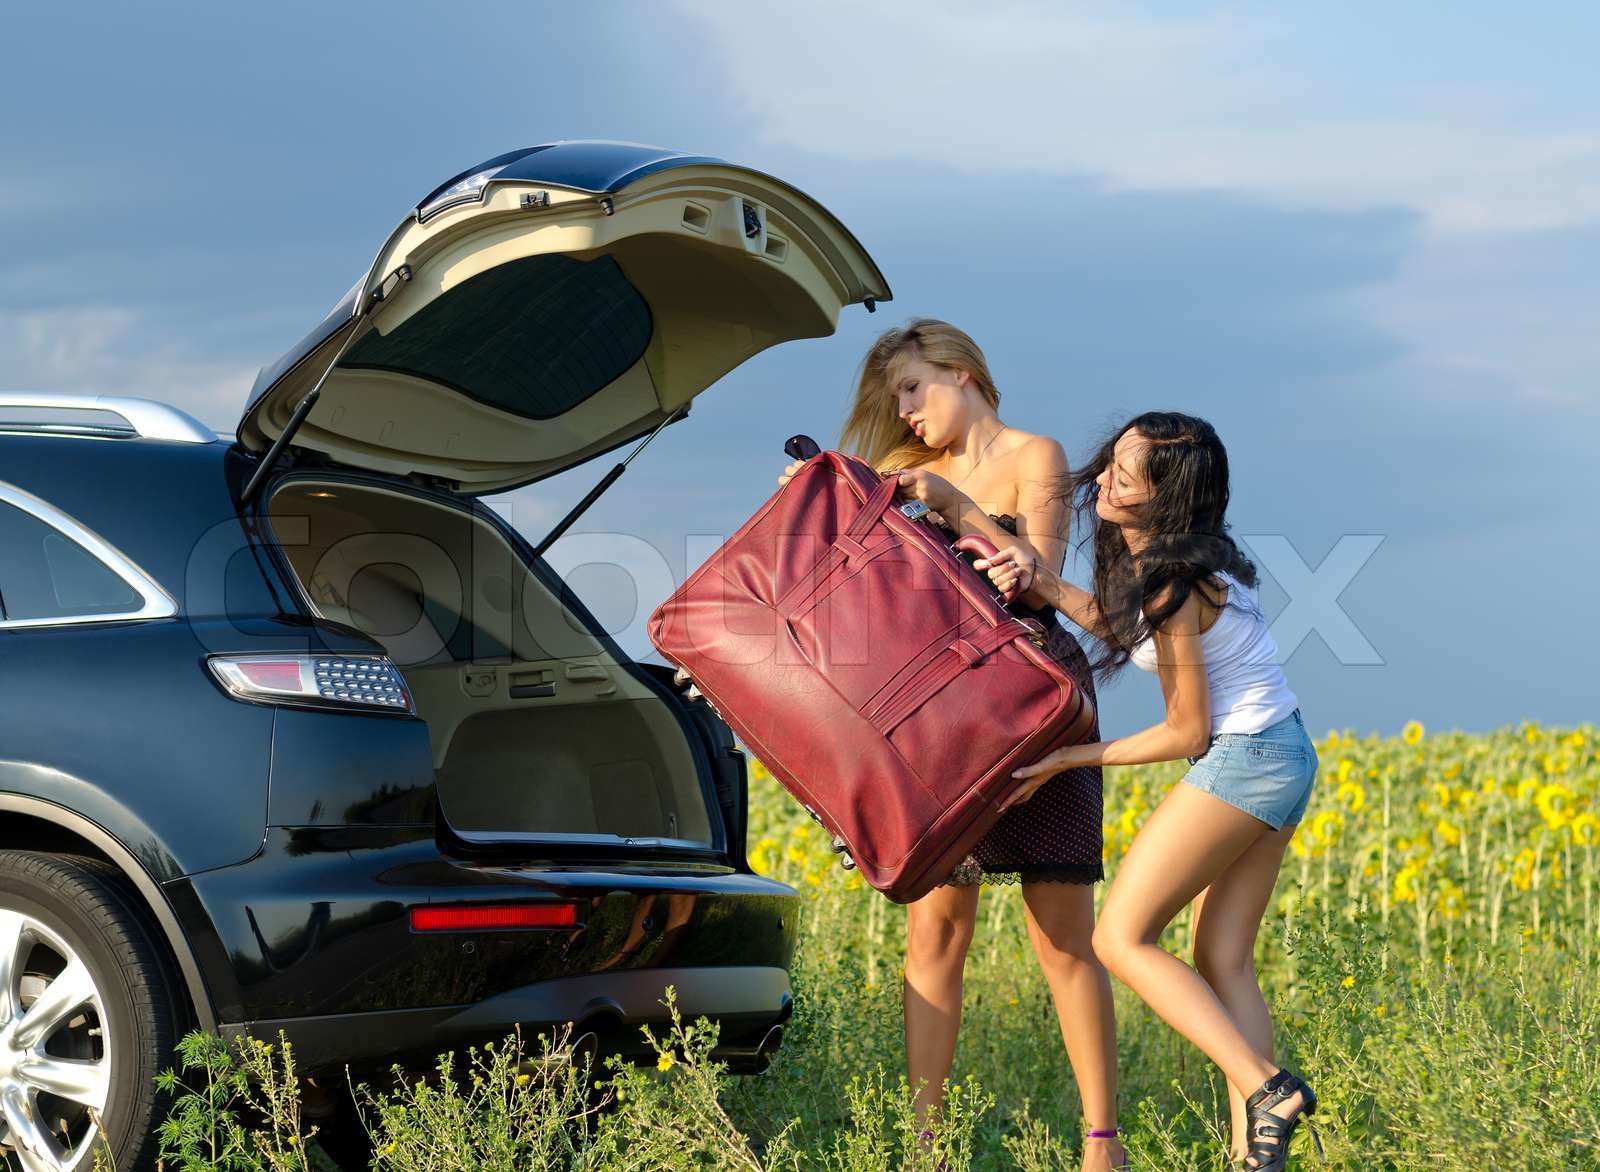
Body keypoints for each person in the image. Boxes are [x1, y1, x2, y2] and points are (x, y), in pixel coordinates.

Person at [778, 319, 1126, 1172]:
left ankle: (1100, 1145)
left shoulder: (1034, 456)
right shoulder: (898, 474)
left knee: (1063, 937)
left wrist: (959, 510)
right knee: (935, 934)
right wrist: (811, 498)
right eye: (893, 397)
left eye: (912, 387)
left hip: (1029, 702)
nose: (905, 410)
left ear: (963, 373)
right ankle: (924, 1150)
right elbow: (856, 591)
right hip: (938, 719)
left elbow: (1037, 580)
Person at [975, 412, 1323, 1171]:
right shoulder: (1180, 567)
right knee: (1223, 957)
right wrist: (1044, 582)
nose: (1101, 480)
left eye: (1123, 477)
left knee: (1119, 938)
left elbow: (1184, 733)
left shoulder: (1170, 581)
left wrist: (1071, 756)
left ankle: (1269, 1089)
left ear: (1162, 499)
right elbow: (1123, 629)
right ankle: (1250, 1152)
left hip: (1246, 758)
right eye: (1109, 464)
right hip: (1286, 752)